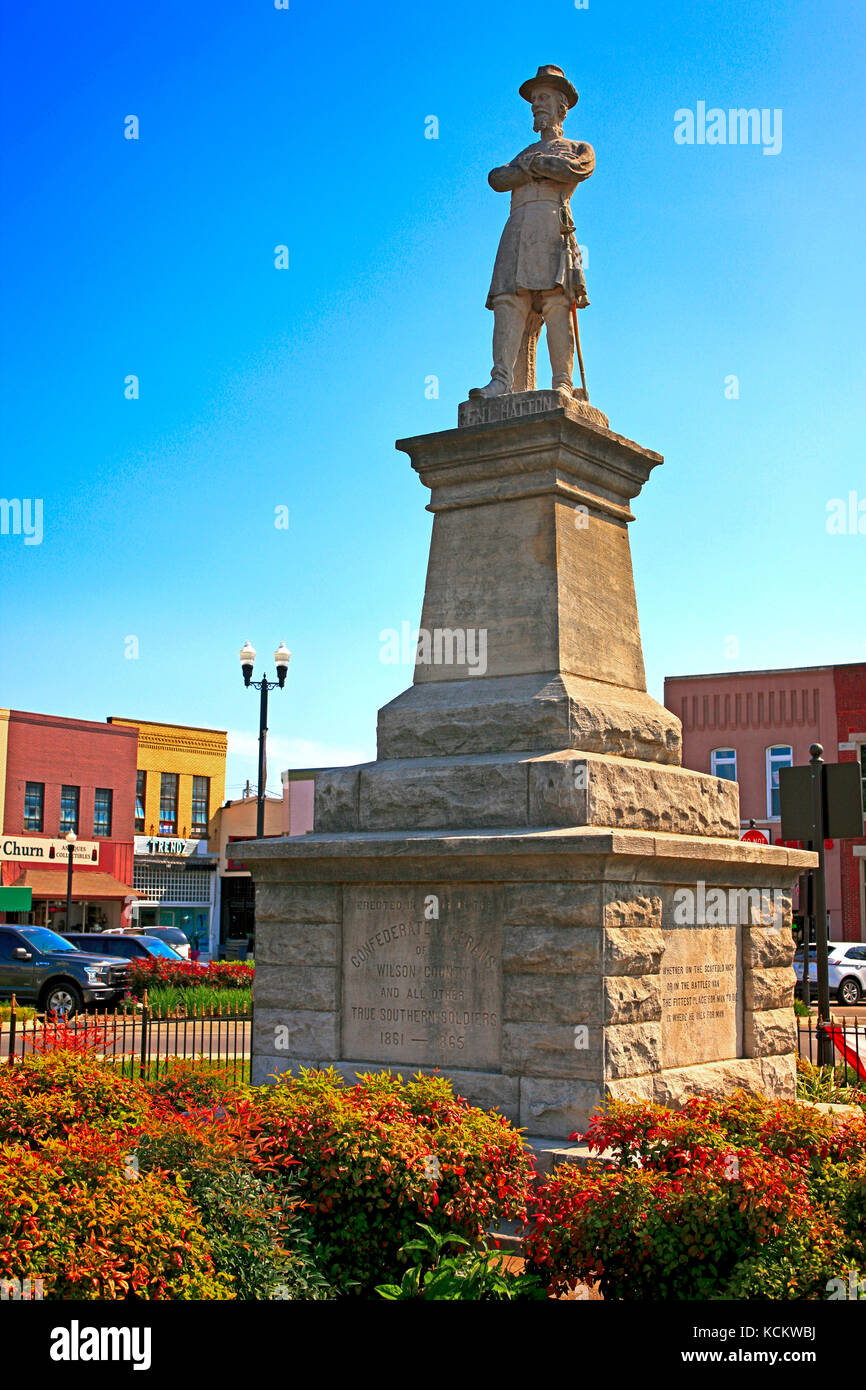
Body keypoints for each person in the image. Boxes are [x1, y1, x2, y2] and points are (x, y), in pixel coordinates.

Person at [470, 65, 595, 400]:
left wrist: (528, 170)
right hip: (517, 227)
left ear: (560, 105)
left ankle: (562, 382)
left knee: (556, 301)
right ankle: (501, 380)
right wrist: (529, 168)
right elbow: (497, 179)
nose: (536, 105)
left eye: (543, 98)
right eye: (534, 99)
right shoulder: (525, 152)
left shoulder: (577, 147)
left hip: (552, 223)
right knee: (508, 300)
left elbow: (573, 169)